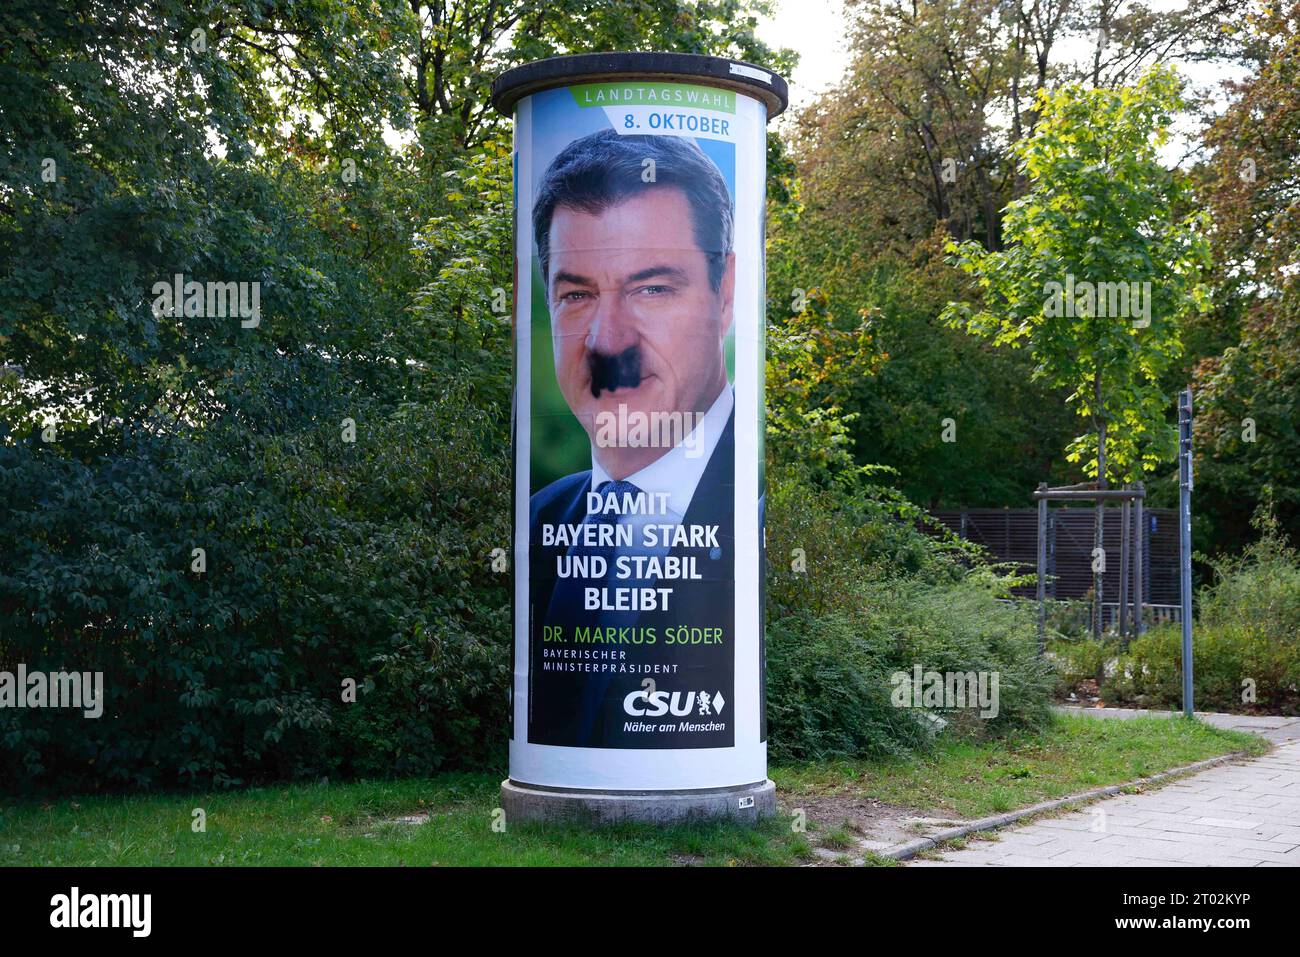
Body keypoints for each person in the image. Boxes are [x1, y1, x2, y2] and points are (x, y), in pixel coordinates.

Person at [527, 129, 737, 748]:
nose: (606, 341)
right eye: (577, 294)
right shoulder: (542, 521)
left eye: (651, 288)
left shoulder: (752, 514)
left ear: (724, 299)